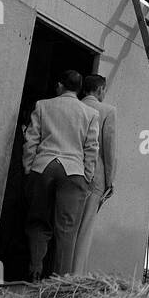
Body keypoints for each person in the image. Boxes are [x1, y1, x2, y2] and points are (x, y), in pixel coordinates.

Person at [22, 69, 99, 281]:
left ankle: (35, 270)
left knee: (38, 222)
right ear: (79, 89)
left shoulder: (42, 105)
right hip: (73, 171)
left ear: (59, 85)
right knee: (67, 230)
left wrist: (29, 168)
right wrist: (87, 176)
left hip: (43, 167)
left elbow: (31, 140)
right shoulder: (91, 114)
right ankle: (61, 280)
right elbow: (91, 149)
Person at [71, 73, 117, 274]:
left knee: (66, 224)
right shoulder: (107, 111)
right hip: (95, 176)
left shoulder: (74, 107)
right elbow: (109, 149)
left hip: (71, 170)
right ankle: (75, 276)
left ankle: (58, 271)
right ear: (100, 90)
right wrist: (110, 179)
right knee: (85, 227)